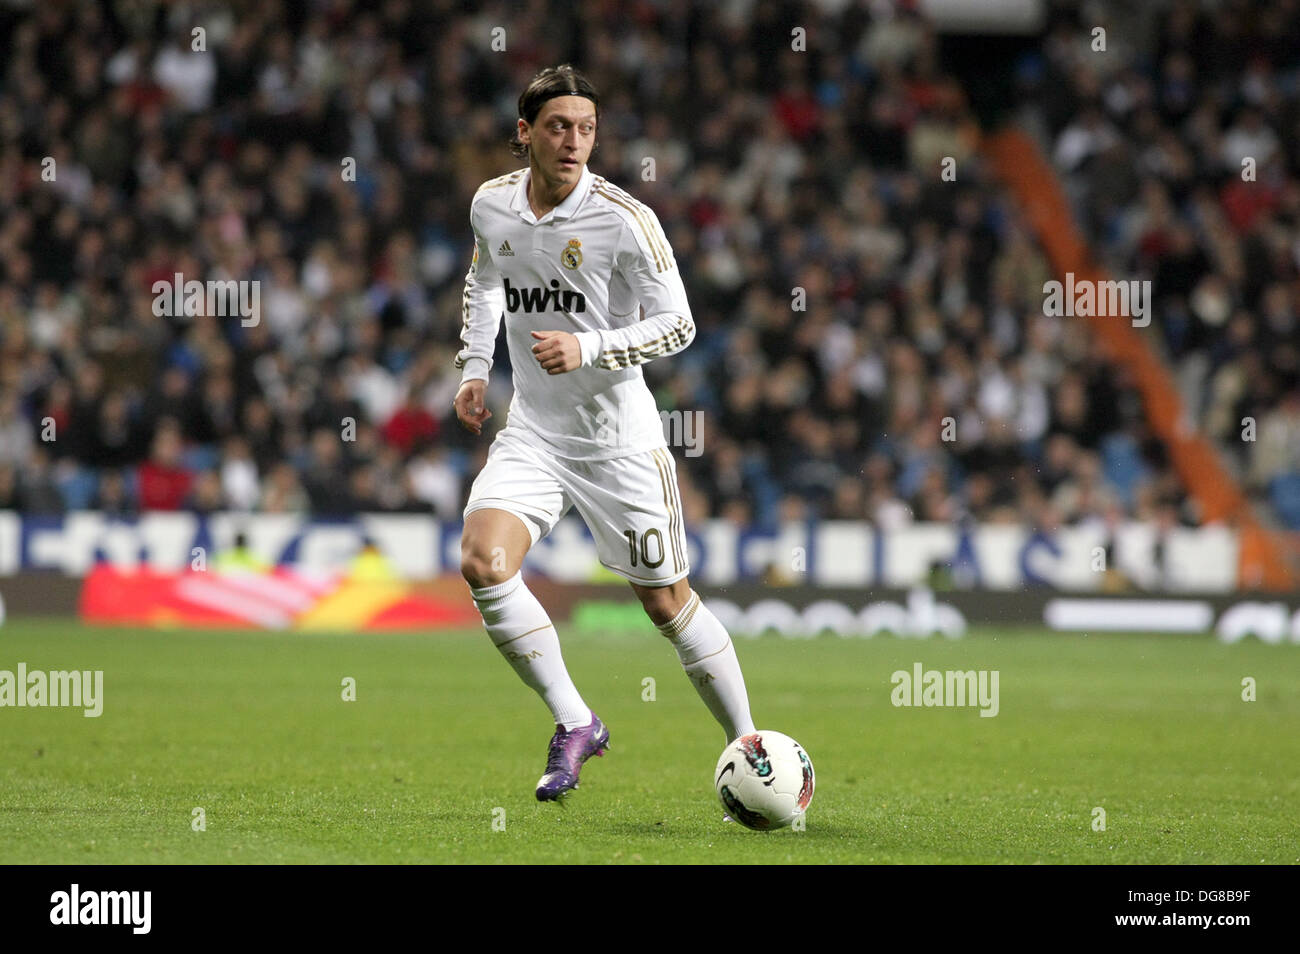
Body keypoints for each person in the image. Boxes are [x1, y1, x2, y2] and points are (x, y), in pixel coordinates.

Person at [454, 64, 756, 802]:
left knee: (666, 606)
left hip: (619, 440)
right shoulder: (491, 205)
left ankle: (749, 745)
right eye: (559, 127)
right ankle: (575, 720)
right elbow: (485, 281)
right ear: (525, 133)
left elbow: (680, 323)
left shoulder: (624, 218)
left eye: (586, 128)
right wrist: (472, 365)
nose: (575, 142)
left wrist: (587, 346)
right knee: (483, 562)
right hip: (533, 431)